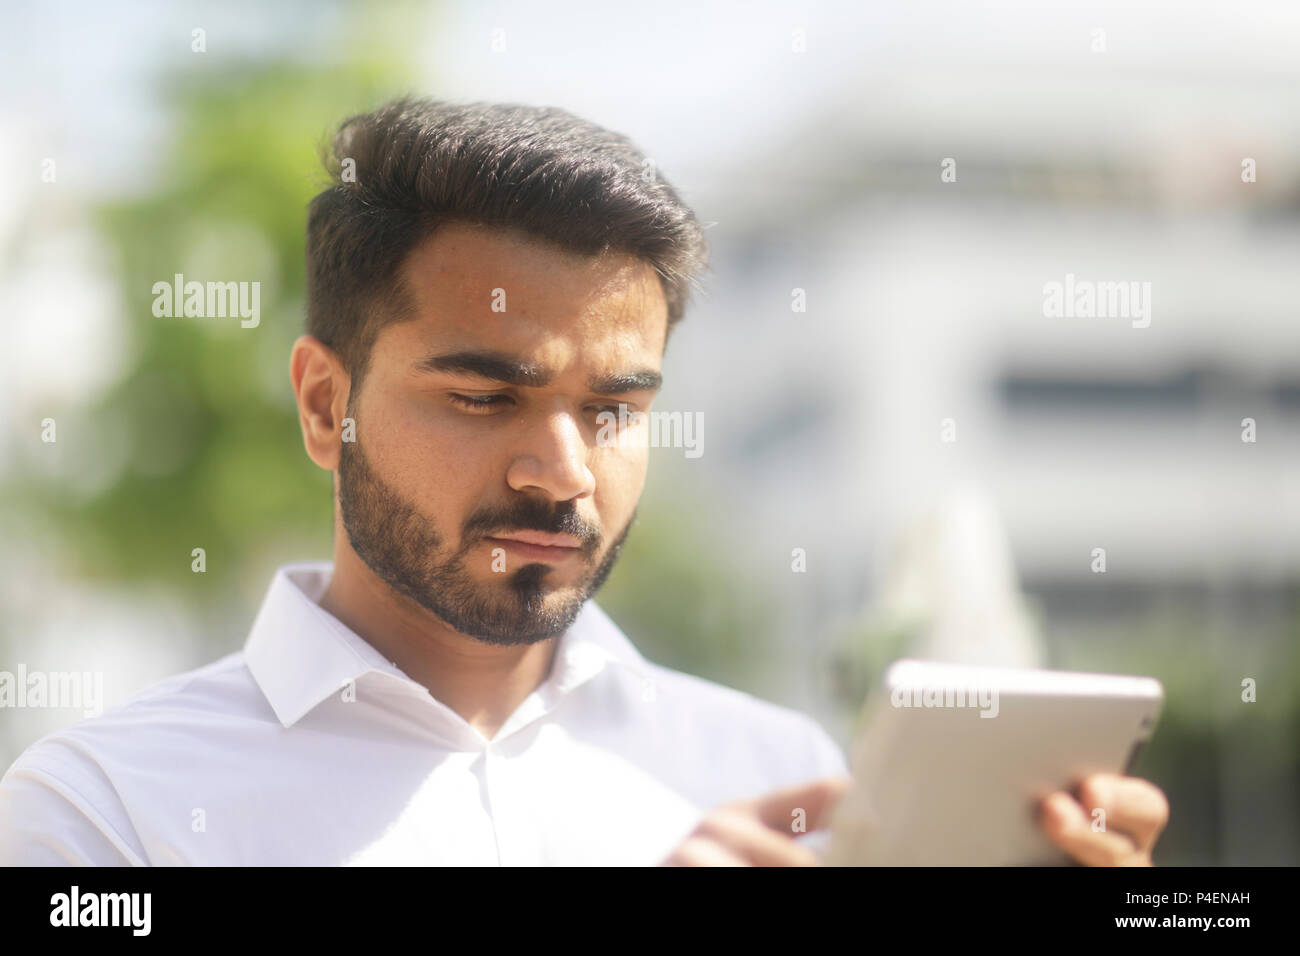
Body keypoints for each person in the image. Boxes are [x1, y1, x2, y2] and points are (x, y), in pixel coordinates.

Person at [0, 98, 1167, 866]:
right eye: (482, 393)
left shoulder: (785, 779)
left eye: (613, 409)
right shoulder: (102, 814)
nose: (561, 472)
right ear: (323, 404)